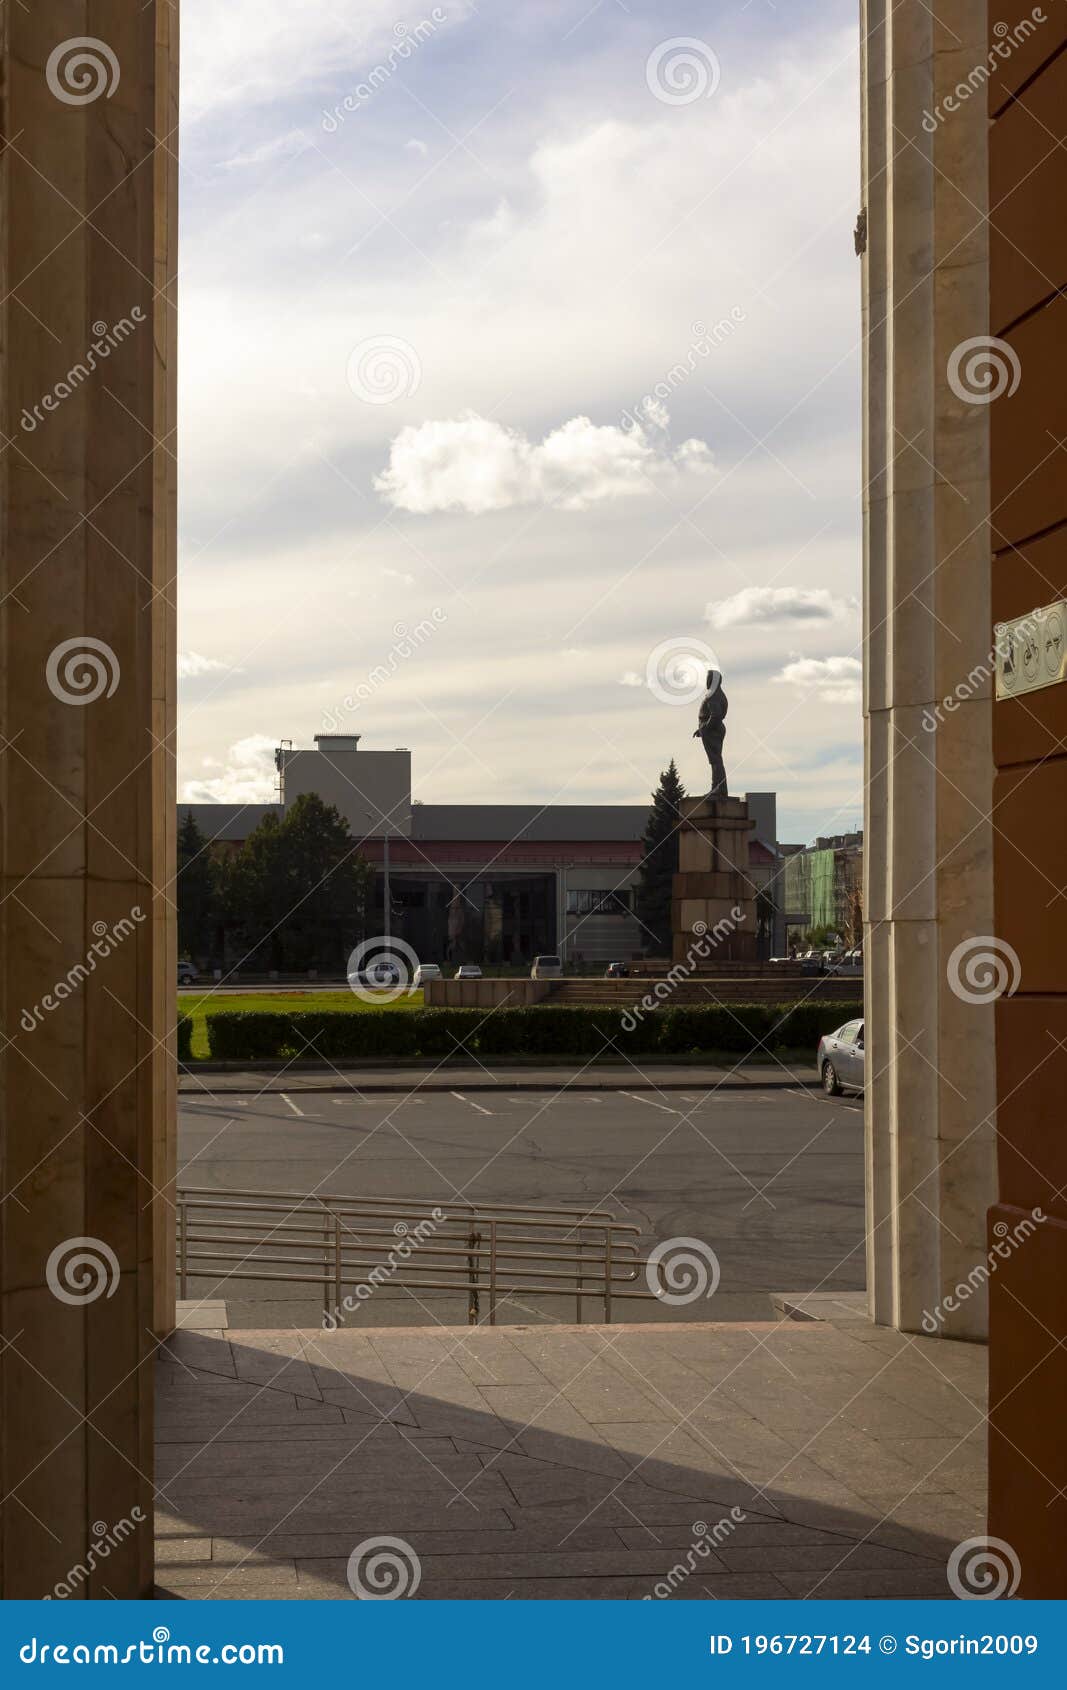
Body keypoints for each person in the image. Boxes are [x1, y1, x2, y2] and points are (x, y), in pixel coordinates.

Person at [693, 669, 728, 798]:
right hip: (713, 729)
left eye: (708, 678)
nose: (706, 681)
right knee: (716, 760)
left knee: (715, 760)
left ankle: (718, 788)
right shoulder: (718, 694)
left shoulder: (713, 695)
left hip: (712, 730)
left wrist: (705, 728)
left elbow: (716, 715)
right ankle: (718, 788)